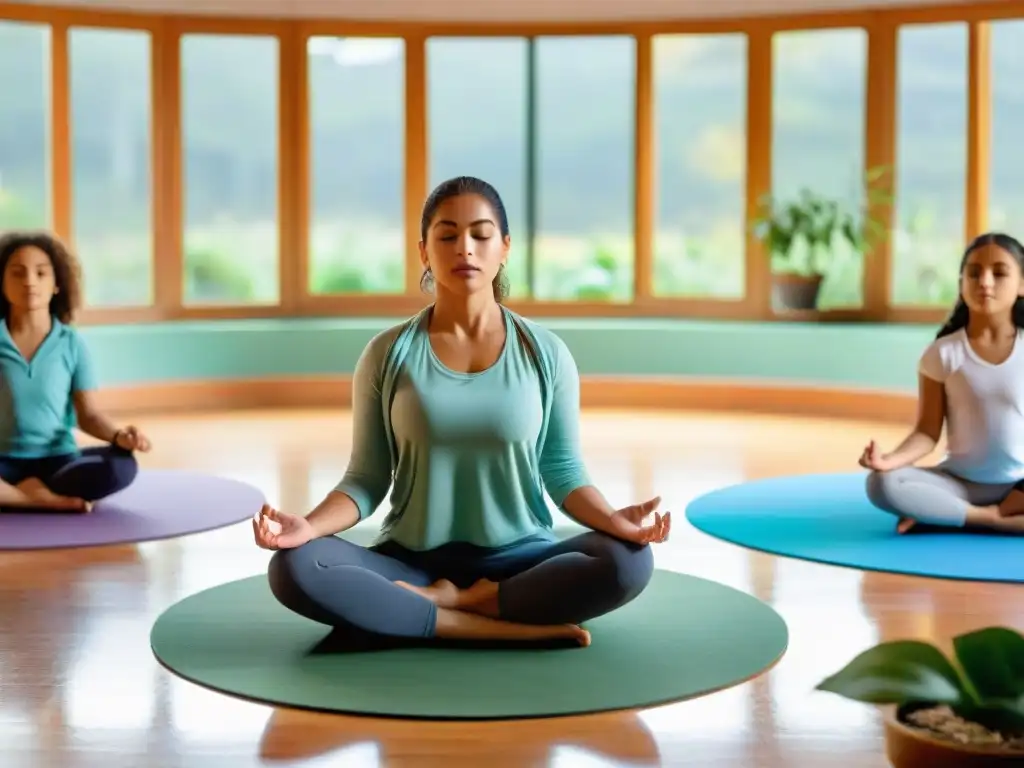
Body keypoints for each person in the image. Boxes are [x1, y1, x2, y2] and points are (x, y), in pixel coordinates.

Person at [253, 176, 670, 647]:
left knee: (629, 561)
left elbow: (563, 470)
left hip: (520, 561)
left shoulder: (546, 353)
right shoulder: (386, 354)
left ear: (505, 247)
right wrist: (307, 526)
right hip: (411, 560)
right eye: (447, 235)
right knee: (294, 566)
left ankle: (464, 603)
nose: (464, 248)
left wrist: (613, 520)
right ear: (424, 252)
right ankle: (476, 625)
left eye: (481, 233)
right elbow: (366, 479)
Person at [862, 231, 1024, 535]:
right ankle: (988, 519)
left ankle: (943, 515)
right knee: (881, 484)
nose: (985, 282)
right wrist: (888, 460)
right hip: (958, 484)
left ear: (1022, 285)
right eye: (974, 273)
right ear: (962, 282)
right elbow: (926, 432)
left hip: (1019, 487)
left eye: (999, 273)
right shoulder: (942, 353)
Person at [0, 231, 150, 514]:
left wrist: (119, 436)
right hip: (3, 462)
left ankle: (22, 492)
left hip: (58, 462)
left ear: (57, 284)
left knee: (122, 466)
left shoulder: (72, 343)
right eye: (18, 273)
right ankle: (33, 499)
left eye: (41, 273)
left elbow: (89, 415)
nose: (30, 281)